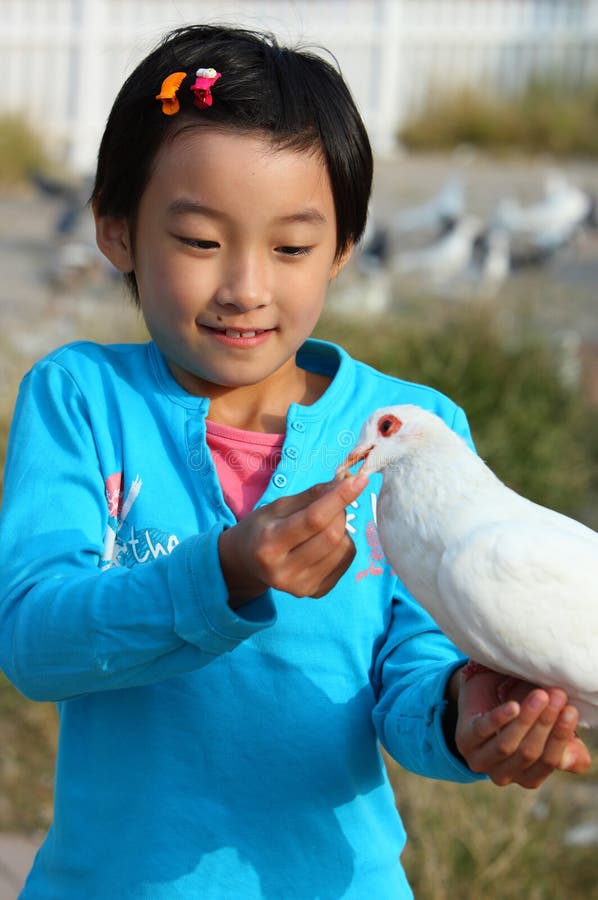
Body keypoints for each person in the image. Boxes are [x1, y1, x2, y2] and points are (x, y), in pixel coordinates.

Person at [0, 24, 590, 899]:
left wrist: (470, 718)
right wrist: (226, 570)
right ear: (116, 233)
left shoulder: (413, 432)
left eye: (291, 247)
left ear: (344, 250)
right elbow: (38, 643)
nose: (246, 286)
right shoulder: (82, 401)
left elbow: (414, 678)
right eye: (200, 241)